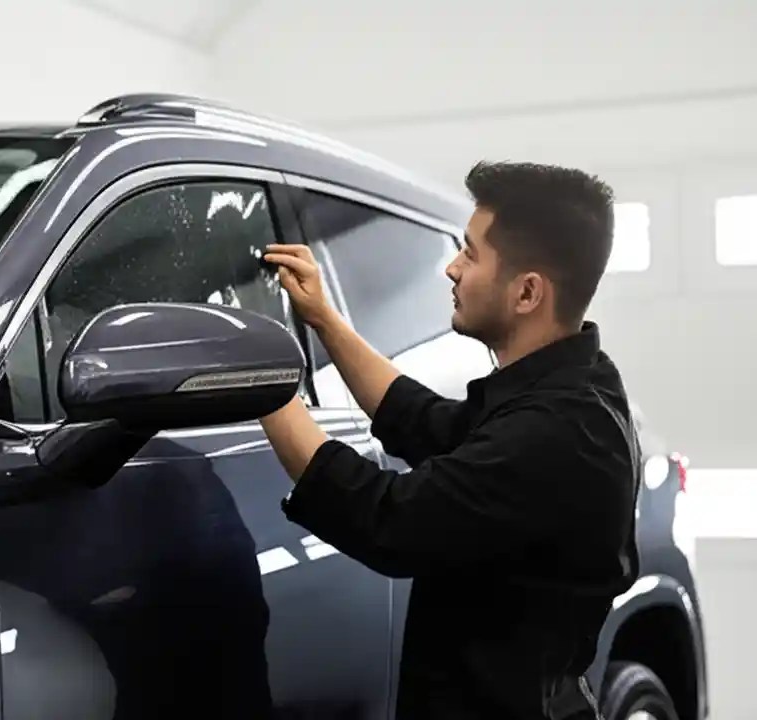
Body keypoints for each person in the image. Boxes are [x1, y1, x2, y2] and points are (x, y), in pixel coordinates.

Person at [258, 161, 640, 719]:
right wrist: (323, 319)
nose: (452, 269)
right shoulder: (570, 387)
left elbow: (389, 520)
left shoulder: (560, 434)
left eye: (470, 253)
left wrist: (260, 379)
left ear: (528, 292)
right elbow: (425, 421)